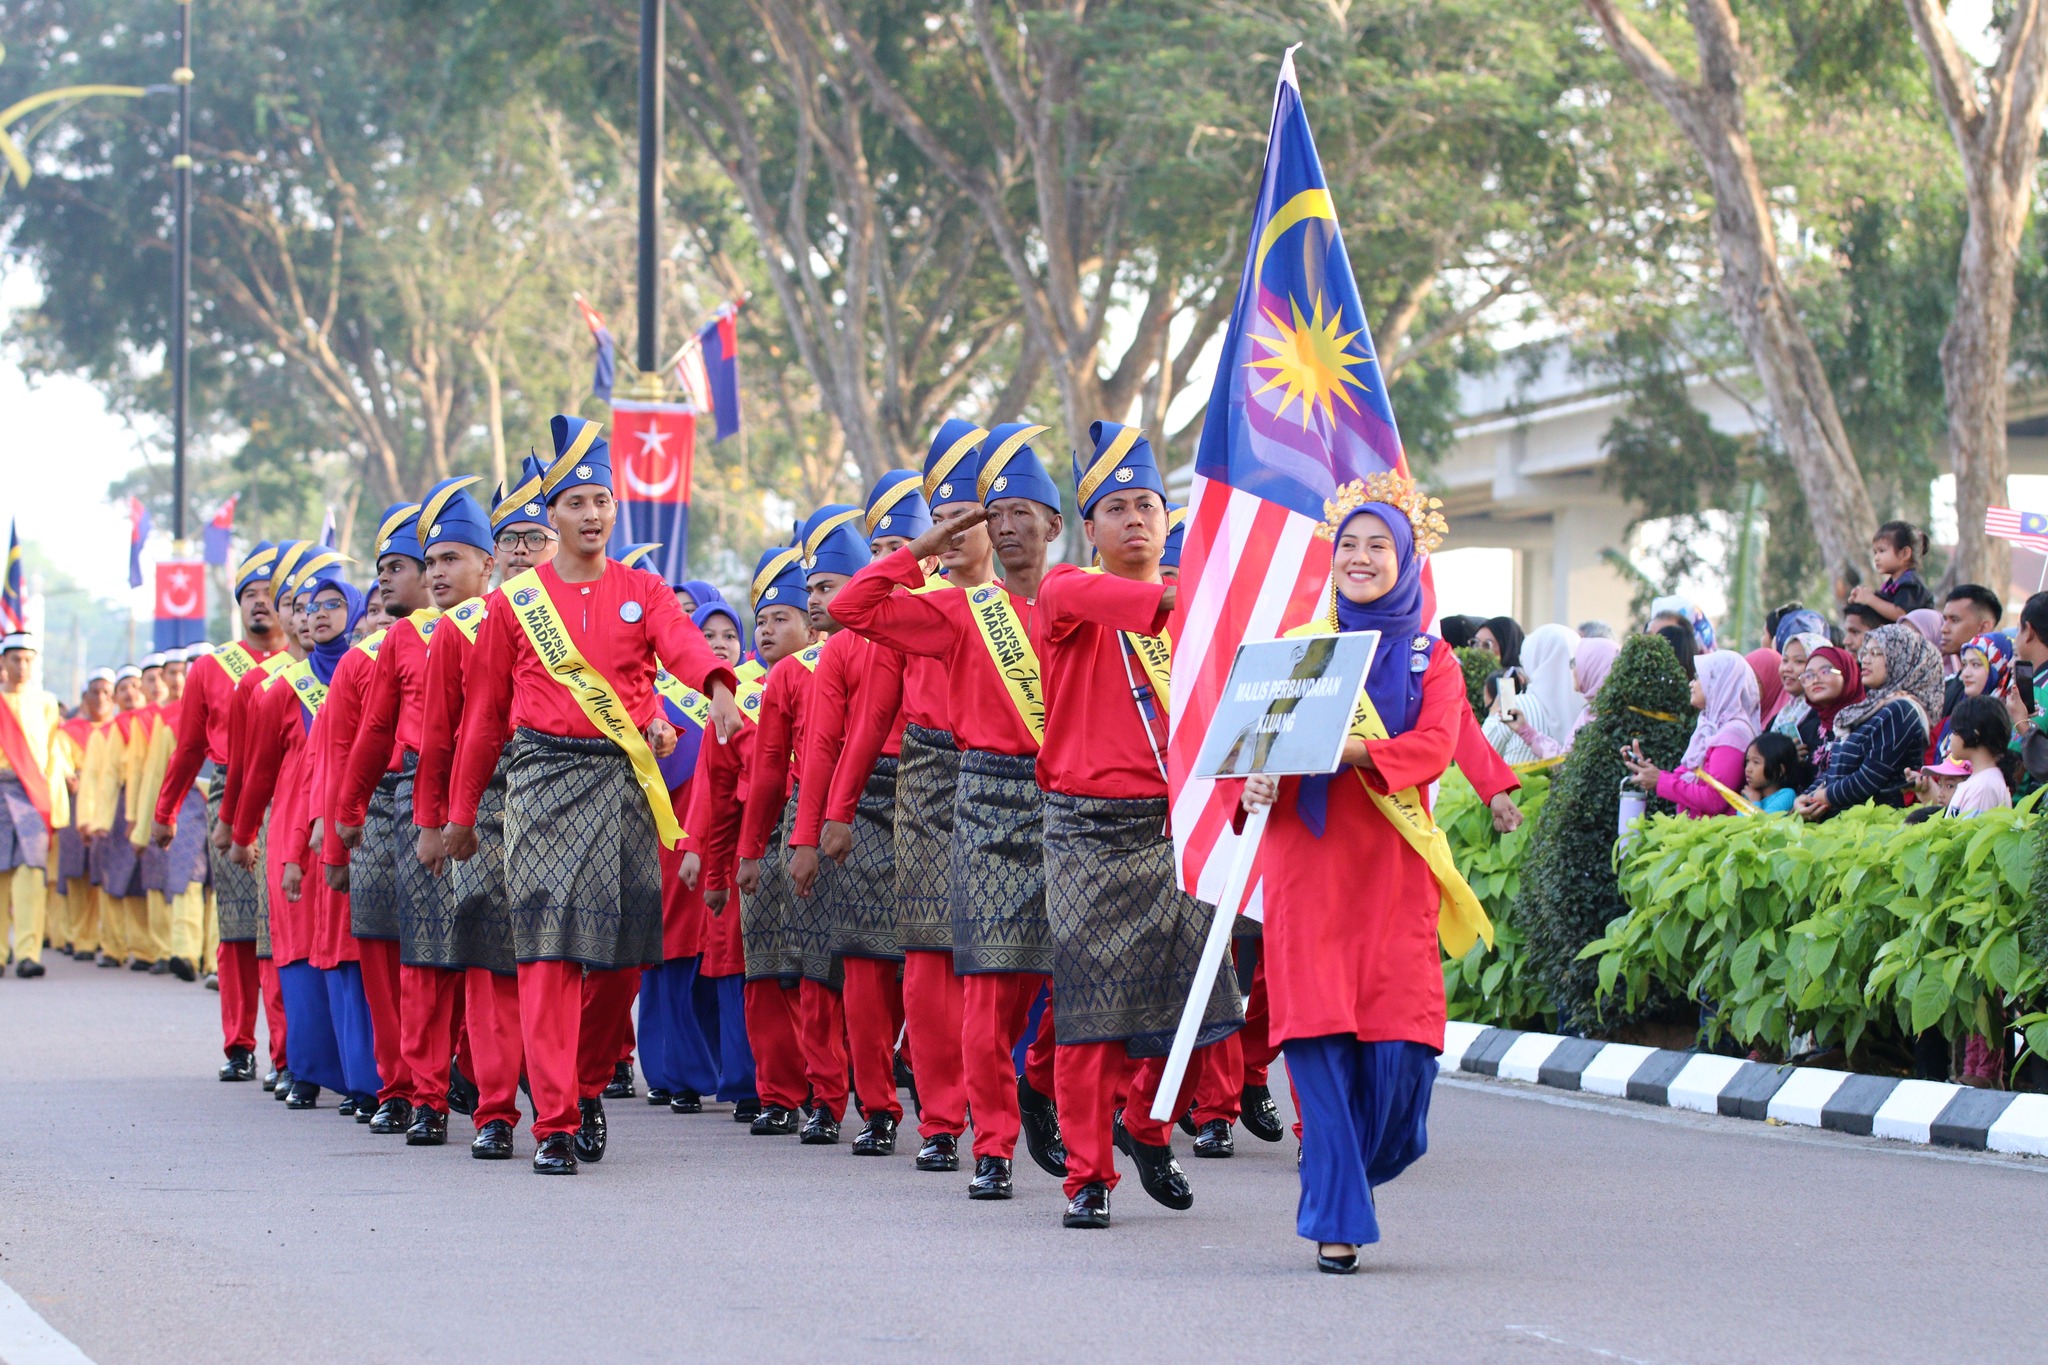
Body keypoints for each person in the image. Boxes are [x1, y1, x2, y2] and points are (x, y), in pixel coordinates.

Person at [444, 415, 742, 1175]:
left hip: (623, 787)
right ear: (552, 515)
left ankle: (580, 1083)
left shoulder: (642, 589)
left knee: (617, 958)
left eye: (600, 502)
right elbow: (481, 720)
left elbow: (679, 639)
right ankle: (553, 1121)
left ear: (615, 510)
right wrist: (459, 815)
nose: (590, 514)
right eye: (575, 502)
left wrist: (714, 683)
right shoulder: (516, 607)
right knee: (545, 950)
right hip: (541, 782)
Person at [1238, 473, 1487, 1275]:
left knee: (1402, 1057)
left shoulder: (1431, 655)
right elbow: (1244, 749)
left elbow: (1433, 750)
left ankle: (1356, 1169)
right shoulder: (1295, 648)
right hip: (1306, 868)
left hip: (1392, 872)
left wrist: (1342, 748)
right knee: (1314, 1037)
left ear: (1407, 557)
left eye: (1379, 544)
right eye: (1348, 543)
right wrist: (1250, 781)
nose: (1360, 556)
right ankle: (1336, 1216)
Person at [831, 420, 1068, 1201]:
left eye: (1014, 514)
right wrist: (923, 544)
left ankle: (1037, 1086)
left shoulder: (1087, 604)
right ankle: (988, 1140)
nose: (1000, 528)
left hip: (1075, 805)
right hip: (983, 799)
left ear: (1055, 524)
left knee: (1069, 978)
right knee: (984, 978)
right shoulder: (961, 614)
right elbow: (857, 609)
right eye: (986, 516)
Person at [1030, 420, 1243, 1229]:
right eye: (1115, 508)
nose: (1135, 521)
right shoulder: (1068, 594)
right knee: (1090, 1014)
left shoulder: (1200, 604)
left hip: (1177, 822)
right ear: (1091, 527)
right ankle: (1088, 1175)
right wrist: (1190, 596)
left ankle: (1147, 1126)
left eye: (1147, 506)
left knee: (1201, 1003)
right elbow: (1130, 602)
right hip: (1085, 831)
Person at [824, 422, 995, 1173]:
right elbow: (852, 610)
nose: (955, 533)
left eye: (970, 519)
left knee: (998, 961)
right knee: (927, 958)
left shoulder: (1035, 604)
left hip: (1013, 778)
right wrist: (831, 816)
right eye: (942, 520)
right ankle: (941, 1117)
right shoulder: (922, 606)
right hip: (924, 781)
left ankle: (1014, 1102)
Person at [406, 457, 562, 1157]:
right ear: (497, 552)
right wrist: (435, 821)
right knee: (492, 960)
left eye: (537, 536)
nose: (525, 550)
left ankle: (576, 1089)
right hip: (488, 808)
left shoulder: (594, 610)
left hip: (574, 800)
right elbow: (439, 737)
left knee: (586, 955)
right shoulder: (461, 627)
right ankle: (497, 1108)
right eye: (514, 539)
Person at [790, 474, 936, 1157]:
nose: (887, 559)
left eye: (899, 545)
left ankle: (943, 1103)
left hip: (943, 790)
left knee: (940, 964)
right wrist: (809, 832)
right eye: (876, 548)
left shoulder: (962, 618)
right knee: (864, 967)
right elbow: (821, 744)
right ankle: (876, 1105)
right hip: (865, 801)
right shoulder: (844, 646)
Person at [698, 544, 813, 1136]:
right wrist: (717, 871)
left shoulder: (832, 678)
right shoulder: (733, 700)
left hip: (820, 845)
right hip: (761, 853)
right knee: (765, 978)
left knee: (819, 979)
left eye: (781, 618)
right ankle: (777, 1094)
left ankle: (827, 1091)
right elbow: (720, 795)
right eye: (760, 621)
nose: (767, 631)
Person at [1795, 623, 1942, 820]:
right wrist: (1804, 798)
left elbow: (1869, 778)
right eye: (1865, 652)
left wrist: (1823, 797)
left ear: (1900, 658)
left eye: (1876, 653)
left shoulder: (1902, 709)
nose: (1865, 659)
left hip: (1874, 827)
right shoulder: (1868, 709)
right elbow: (1834, 770)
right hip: (1841, 825)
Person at [1621, 648, 1760, 818]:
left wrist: (1659, 780)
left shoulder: (1733, 734)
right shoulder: (1711, 726)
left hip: (1717, 840)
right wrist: (1646, 772)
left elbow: (1714, 799)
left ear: (1717, 683)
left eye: (1698, 677)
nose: (1691, 684)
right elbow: (1688, 781)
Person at [0, 632, 65, 977]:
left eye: (27, 659)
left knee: (30, 874)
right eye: (15, 659)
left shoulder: (46, 703)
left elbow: (53, 757)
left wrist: (56, 807)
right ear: (3, 663)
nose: (21, 666)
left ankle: (28, 953)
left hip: (31, 795)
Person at [1504, 635, 1616, 760]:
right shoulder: (1590, 712)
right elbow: (1565, 760)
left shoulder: (1608, 718)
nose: (1572, 669)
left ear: (1593, 667)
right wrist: (1525, 730)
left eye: (1575, 662)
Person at [1933, 696, 2013, 817]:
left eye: (1955, 732)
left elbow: (1970, 833)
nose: (1950, 738)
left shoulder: (1984, 787)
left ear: (1975, 734)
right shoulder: (1982, 781)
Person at [1848, 521, 1935, 623]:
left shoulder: (1911, 584)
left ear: (1904, 553)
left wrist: (1870, 599)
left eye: (1882, 551)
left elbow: (1900, 614)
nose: (1876, 558)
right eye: (1875, 552)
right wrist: (1861, 600)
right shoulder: (1891, 585)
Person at [1940, 585, 2005, 714]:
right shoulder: (1945, 684)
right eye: (1945, 619)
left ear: (1984, 627)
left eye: (1954, 620)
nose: (1944, 629)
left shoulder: (2005, 692)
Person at [1741, 732, 1809, 813]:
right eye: (1747, 761)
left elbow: (1767, 823)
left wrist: (1754, 803)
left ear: (1780, 770)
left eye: (1756, 762)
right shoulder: (1750, 793)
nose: (1748, 769)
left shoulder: (1786, 795)